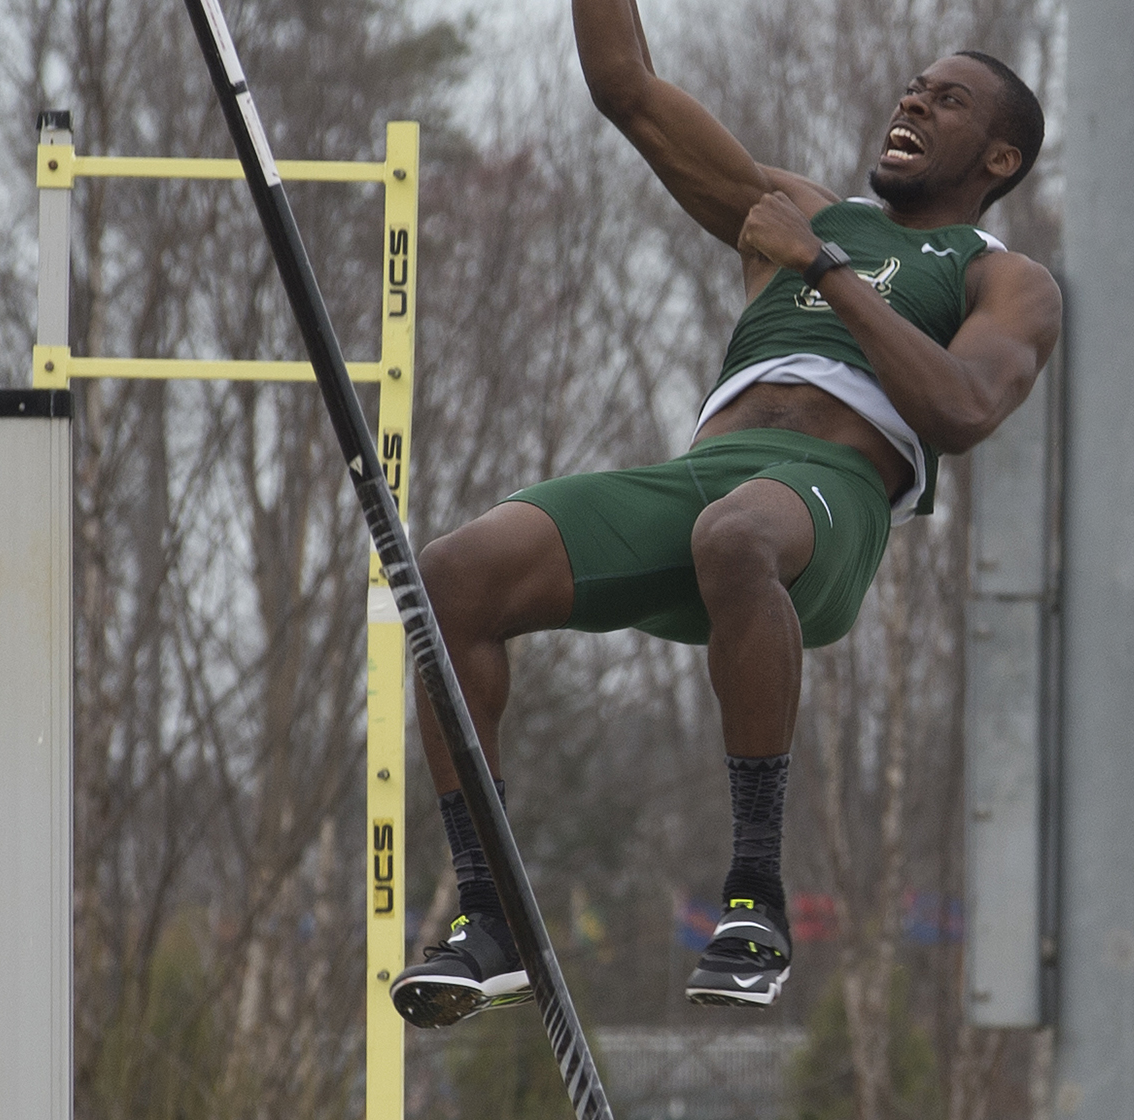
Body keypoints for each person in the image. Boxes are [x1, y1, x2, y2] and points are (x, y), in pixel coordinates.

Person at [390, 0, 1062, 1030]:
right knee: (450, 575)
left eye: (947, 101)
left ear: (1000, 156)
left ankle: (753, 896)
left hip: (825, 504)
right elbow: (630, 92)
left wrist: (824, 269)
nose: (912, 102)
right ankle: (488, 916)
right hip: (704, 478)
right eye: (912, 89)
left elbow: (963, 410)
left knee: (739, 535)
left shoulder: (1000, 277)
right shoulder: (788, 209)